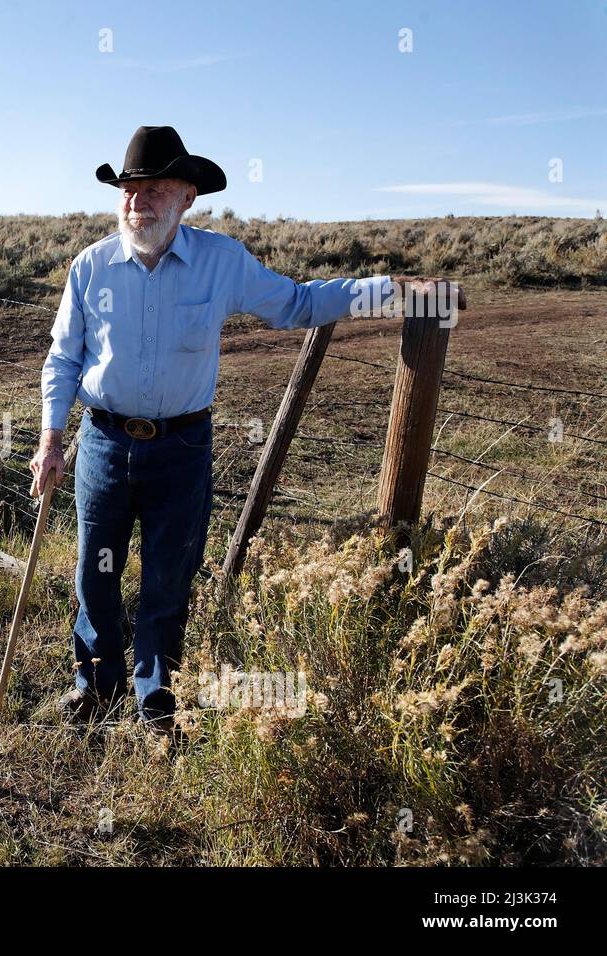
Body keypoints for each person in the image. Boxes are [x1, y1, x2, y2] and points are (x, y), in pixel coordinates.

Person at [31, 125, 462, 733]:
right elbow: (63, 357)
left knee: (167, 579)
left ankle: (155, 702)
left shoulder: (221, 262)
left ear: (187, 197)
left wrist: (391, 293)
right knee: (95, 574)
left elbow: (299, 304)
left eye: (154, 189)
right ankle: (95, 685)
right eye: (130, 189)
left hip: (180, 448)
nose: (138, 201)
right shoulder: (91, 268)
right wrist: (52, 439)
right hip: (102, 443)